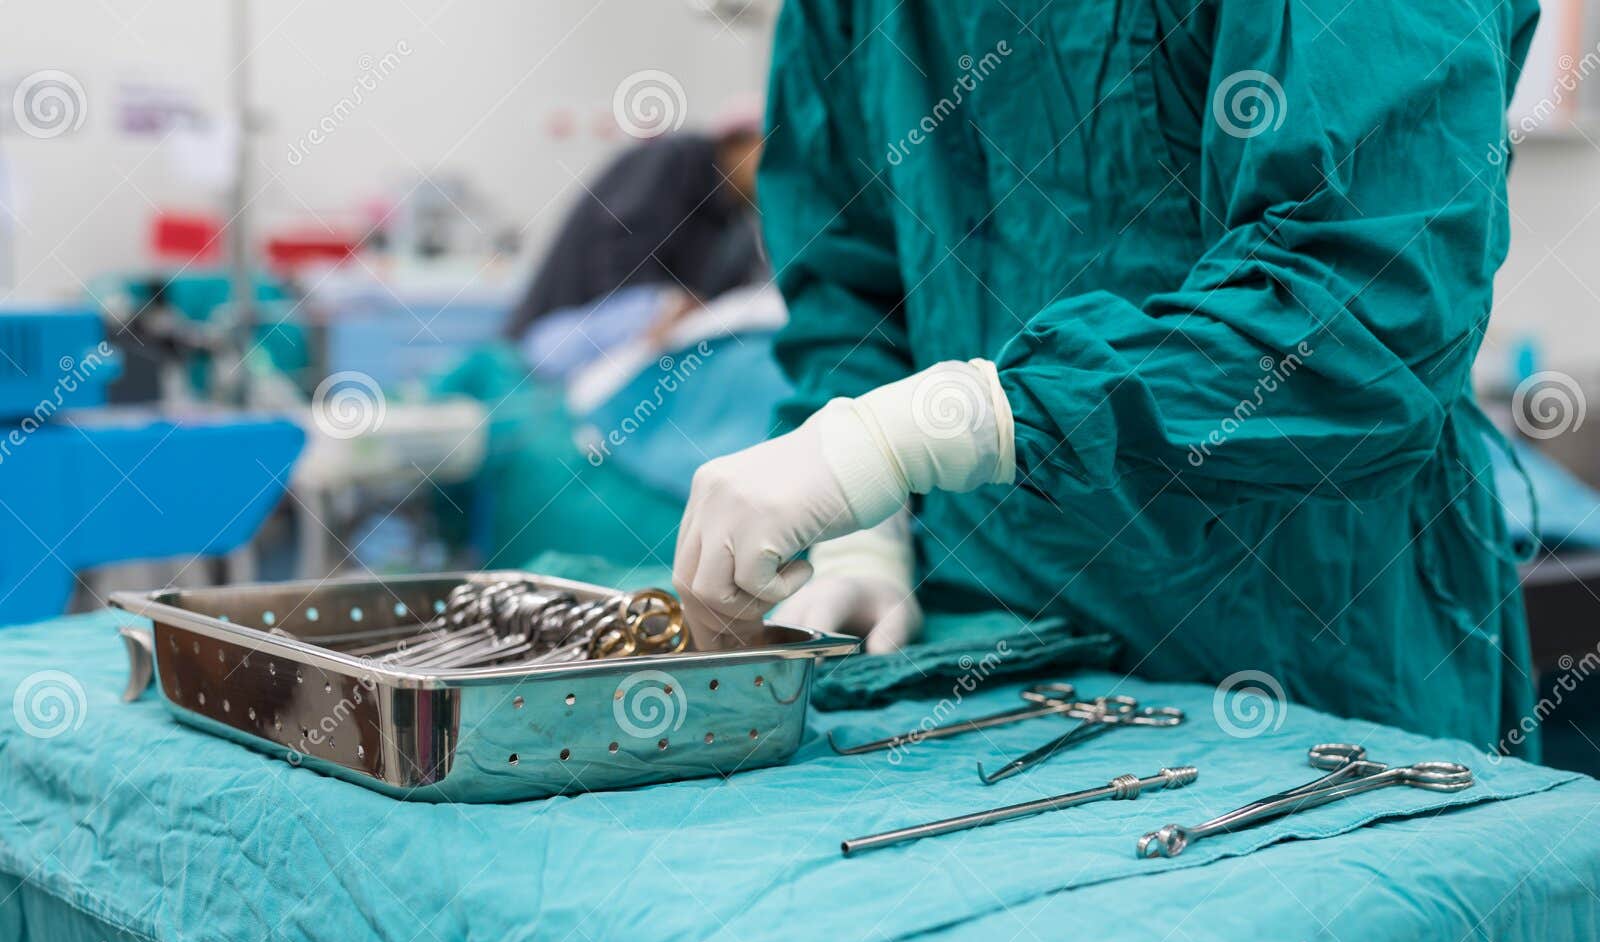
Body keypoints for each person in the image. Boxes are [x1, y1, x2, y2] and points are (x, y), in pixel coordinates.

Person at [673, 0, 1544, 756]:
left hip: (1309, 642)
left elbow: (1365, 314)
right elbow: (850, 271)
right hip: (987, 638)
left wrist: (937, 432)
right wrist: (867, 534)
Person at [502, 116, 768, 343]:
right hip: (562, 328)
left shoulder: (735, 213)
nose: (778, 174)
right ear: (738, 142)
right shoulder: (676, 160)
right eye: (770, 155)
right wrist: (666, 304)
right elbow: (617, 249)